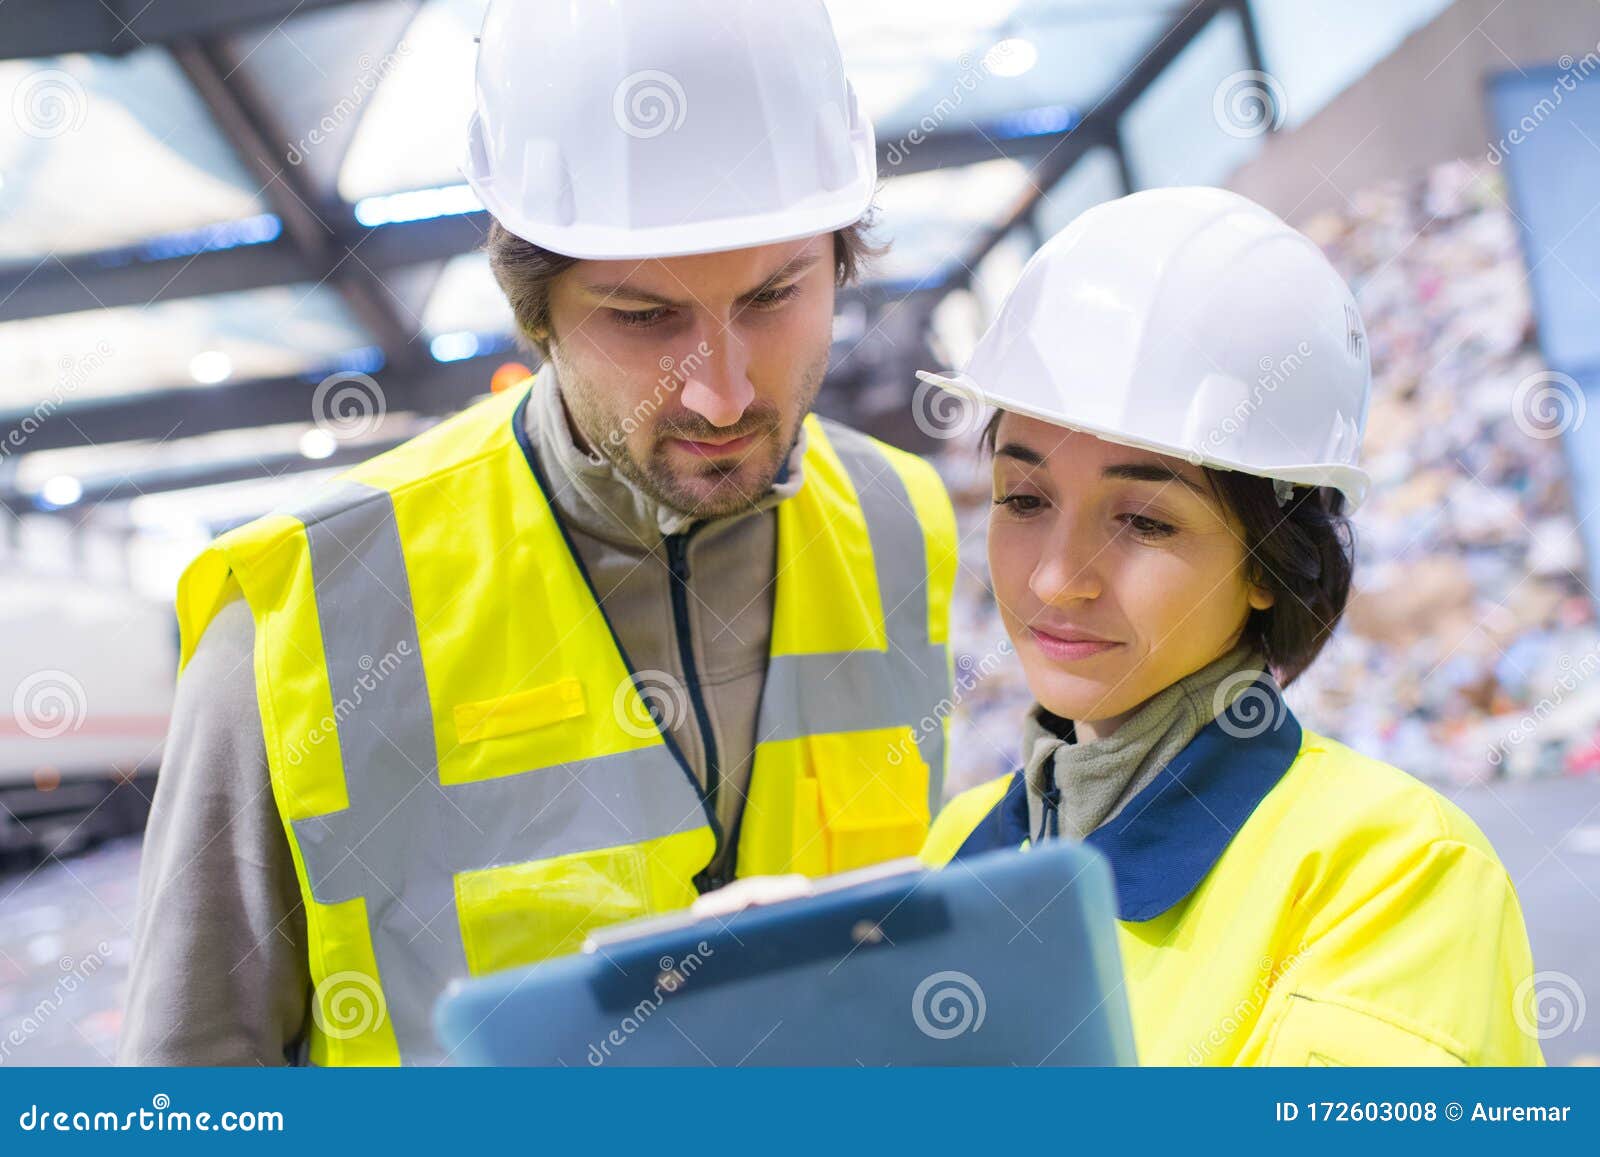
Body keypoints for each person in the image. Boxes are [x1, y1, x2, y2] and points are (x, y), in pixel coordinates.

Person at [119, 0, 957, 1066]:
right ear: (536, 306)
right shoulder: (300, 617)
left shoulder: (899, 524)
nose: (719, 391)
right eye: (644, 316)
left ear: (839, 260)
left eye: (773, 294)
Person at [918, 187, 1544, 1066]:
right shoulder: (964, 842)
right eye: (1023, 498)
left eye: (1144, 521)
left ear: (1268, 560)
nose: (1057, 577)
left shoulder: (1392, 873)